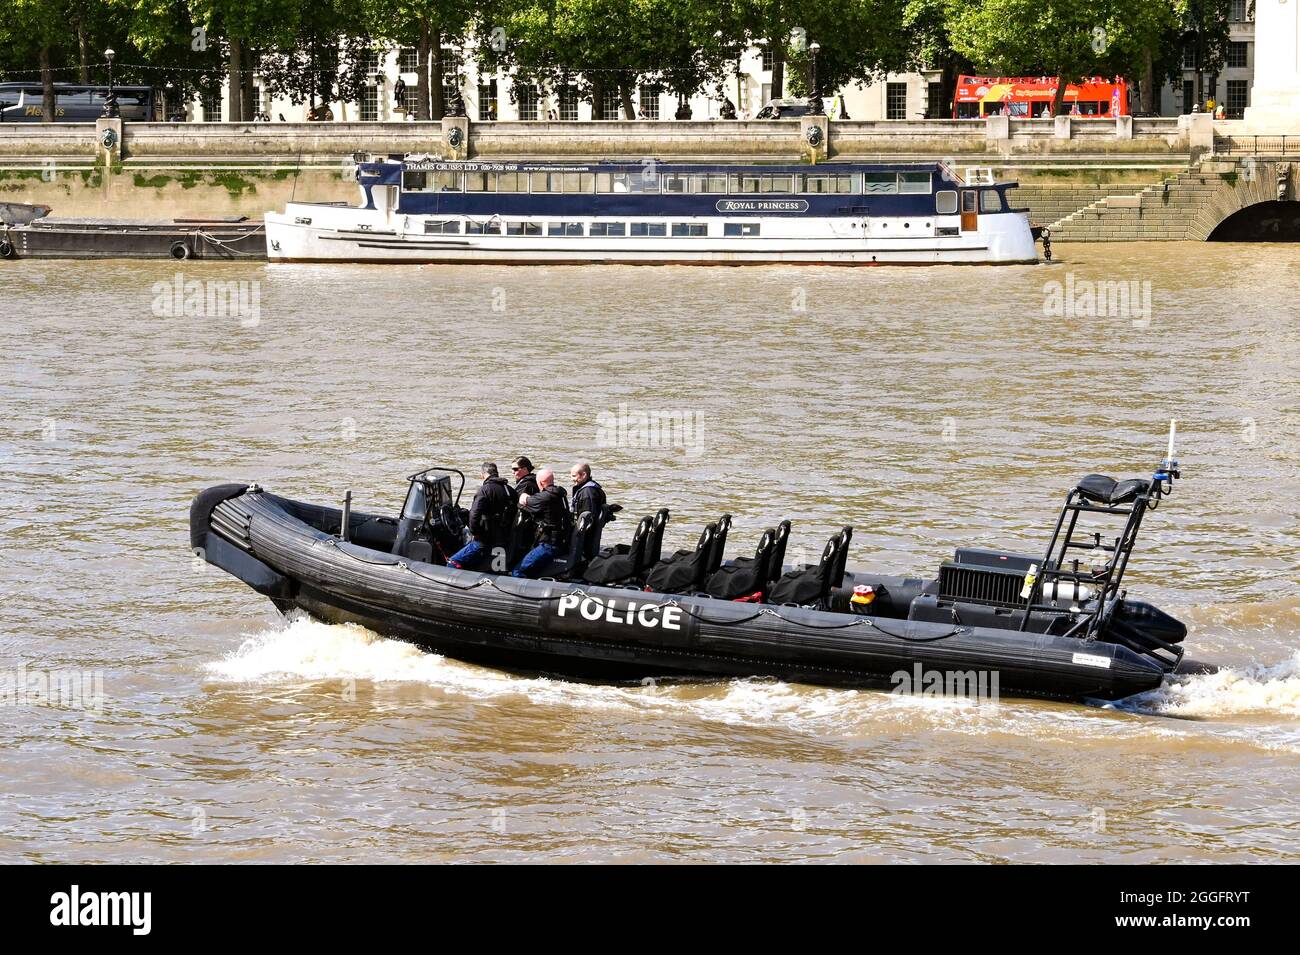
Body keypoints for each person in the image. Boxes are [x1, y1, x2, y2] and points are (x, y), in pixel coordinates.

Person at [447, 462, 514, 569]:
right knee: (493, 567)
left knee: (452, 562)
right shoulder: (509, 490)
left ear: (482, 474)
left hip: (485, 540)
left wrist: (475, 533)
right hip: (502, 539)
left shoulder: (485, 490)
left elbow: (474, 515)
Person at [511, 468, 570, 578]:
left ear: (541, 483)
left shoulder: (545, 497)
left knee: (518, 570)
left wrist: (523, 496)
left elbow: (524, 503)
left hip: (549, 545)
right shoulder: (560, 495)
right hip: (561, 541)